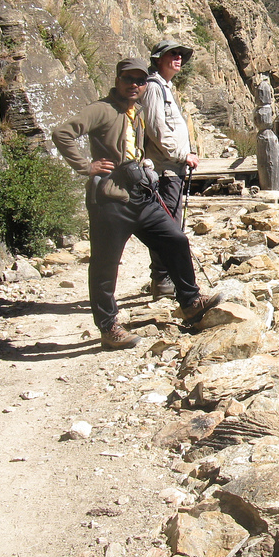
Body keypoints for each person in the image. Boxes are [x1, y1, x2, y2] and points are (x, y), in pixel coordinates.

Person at [51, 58, 220, 350]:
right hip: (111, 201)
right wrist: (86, 167)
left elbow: (133, 146)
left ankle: (191, 302)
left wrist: (143, 162)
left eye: (140, 81)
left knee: (175, 239)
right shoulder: (101, 109)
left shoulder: (136, 111)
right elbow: (62, 133)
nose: (135, 85)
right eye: (129, 79)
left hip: (141, 194)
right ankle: (108, 328)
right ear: (117, 80)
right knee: (105, 266)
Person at [140, 39, 198, 299]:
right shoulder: (154, 89)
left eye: (180, 55)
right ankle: (163, 281)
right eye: (172, 54)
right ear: (158, 59)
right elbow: (157, 130)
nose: (178, 59)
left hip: (173, 168)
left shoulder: (165, 88)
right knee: (168, 228)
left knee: (171, 224)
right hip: (166, 170)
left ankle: (165, 280)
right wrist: (182, 154)